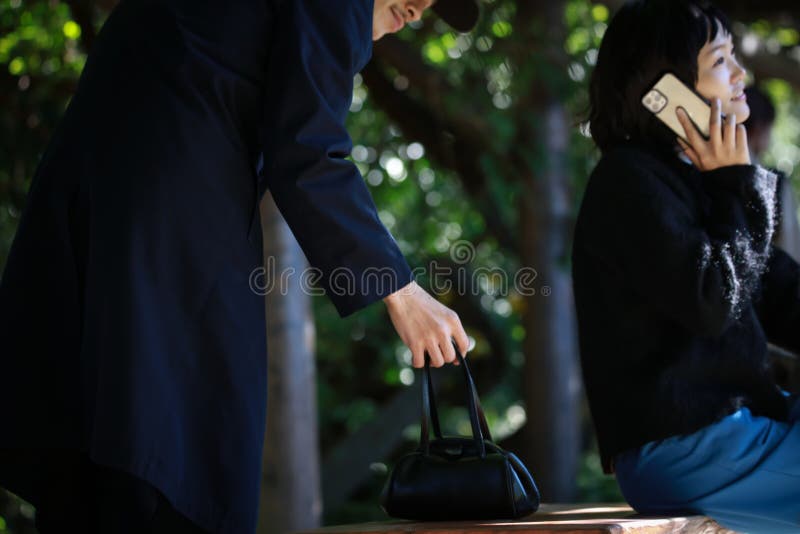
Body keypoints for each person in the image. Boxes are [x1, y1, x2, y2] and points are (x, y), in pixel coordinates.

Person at [0, 1, 479, 533]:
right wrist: (402, 291)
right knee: (167, 463)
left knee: (100, 460)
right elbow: (309, 150)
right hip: (169, 232)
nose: (420, 8)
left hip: (100, 217)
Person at [572, 0, 800, 532]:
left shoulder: (698, 183)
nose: (742, 74)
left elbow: (781, 292)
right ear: (664, 91)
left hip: (738, 435)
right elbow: (712, 301)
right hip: (687, 448)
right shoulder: (628, 183)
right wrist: (740, 185)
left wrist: (732, 188)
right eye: (722, 60)